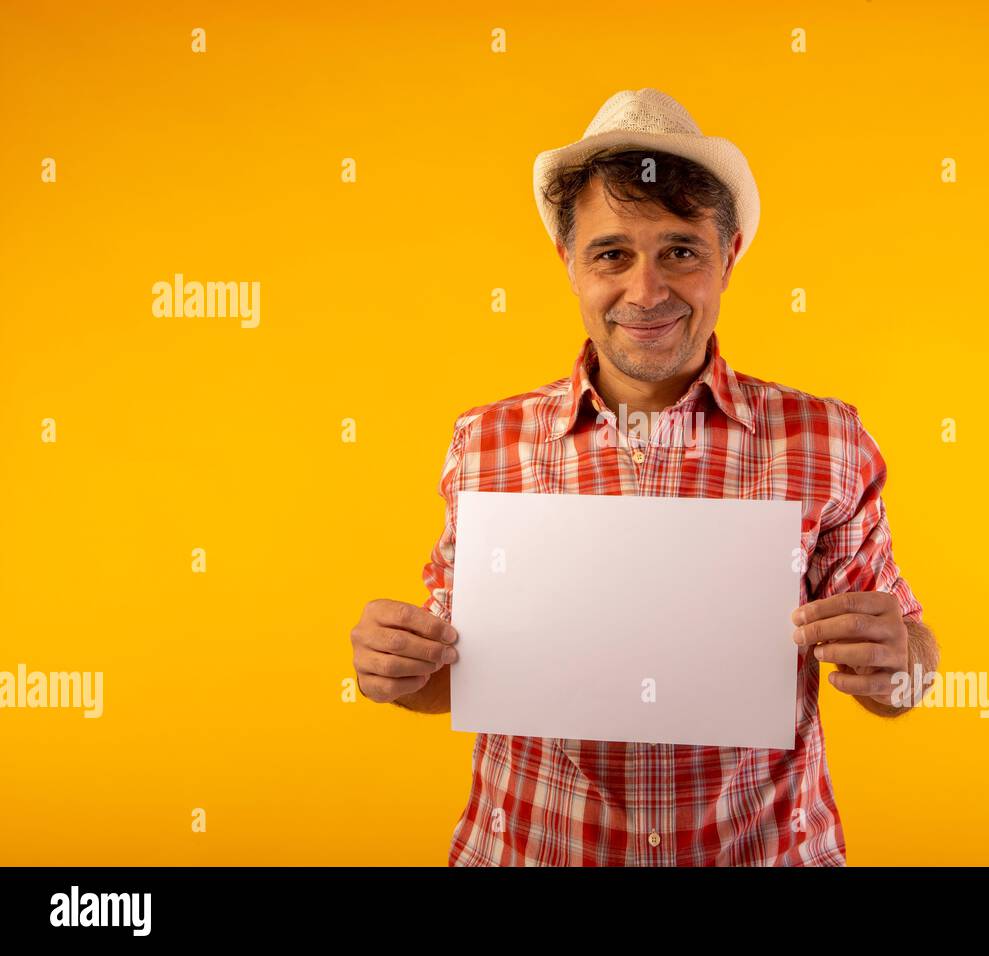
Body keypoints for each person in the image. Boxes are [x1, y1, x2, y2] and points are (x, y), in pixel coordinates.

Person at [349, 88, 940, 865]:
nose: (646, 291)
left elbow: (901, 677)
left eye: (680, 251)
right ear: (569, 263)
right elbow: (453, 674)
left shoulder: (824, 438)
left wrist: (902, 663)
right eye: (612, 253)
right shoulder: (486, 441)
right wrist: (394, 668)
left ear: (728, 258)